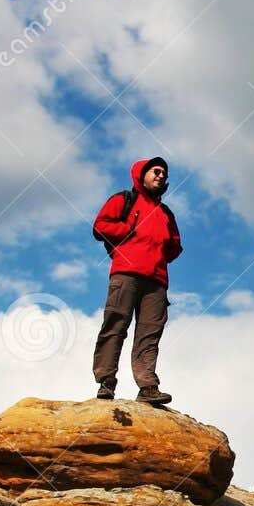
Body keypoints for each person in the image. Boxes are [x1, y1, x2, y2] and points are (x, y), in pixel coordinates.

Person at [91, 157, 182, 405]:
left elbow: (175, 246)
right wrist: (129, 231)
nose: (161, 175)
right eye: (156, 171)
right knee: (115, 326)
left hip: (157, 280)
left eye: (164, 172)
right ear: (141, 174)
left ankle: (148, 387)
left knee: (149, 334)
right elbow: (100, 226)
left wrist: (161, 250)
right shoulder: (124, 199)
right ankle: (106, 382)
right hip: (126, 273)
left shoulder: (165, 213)